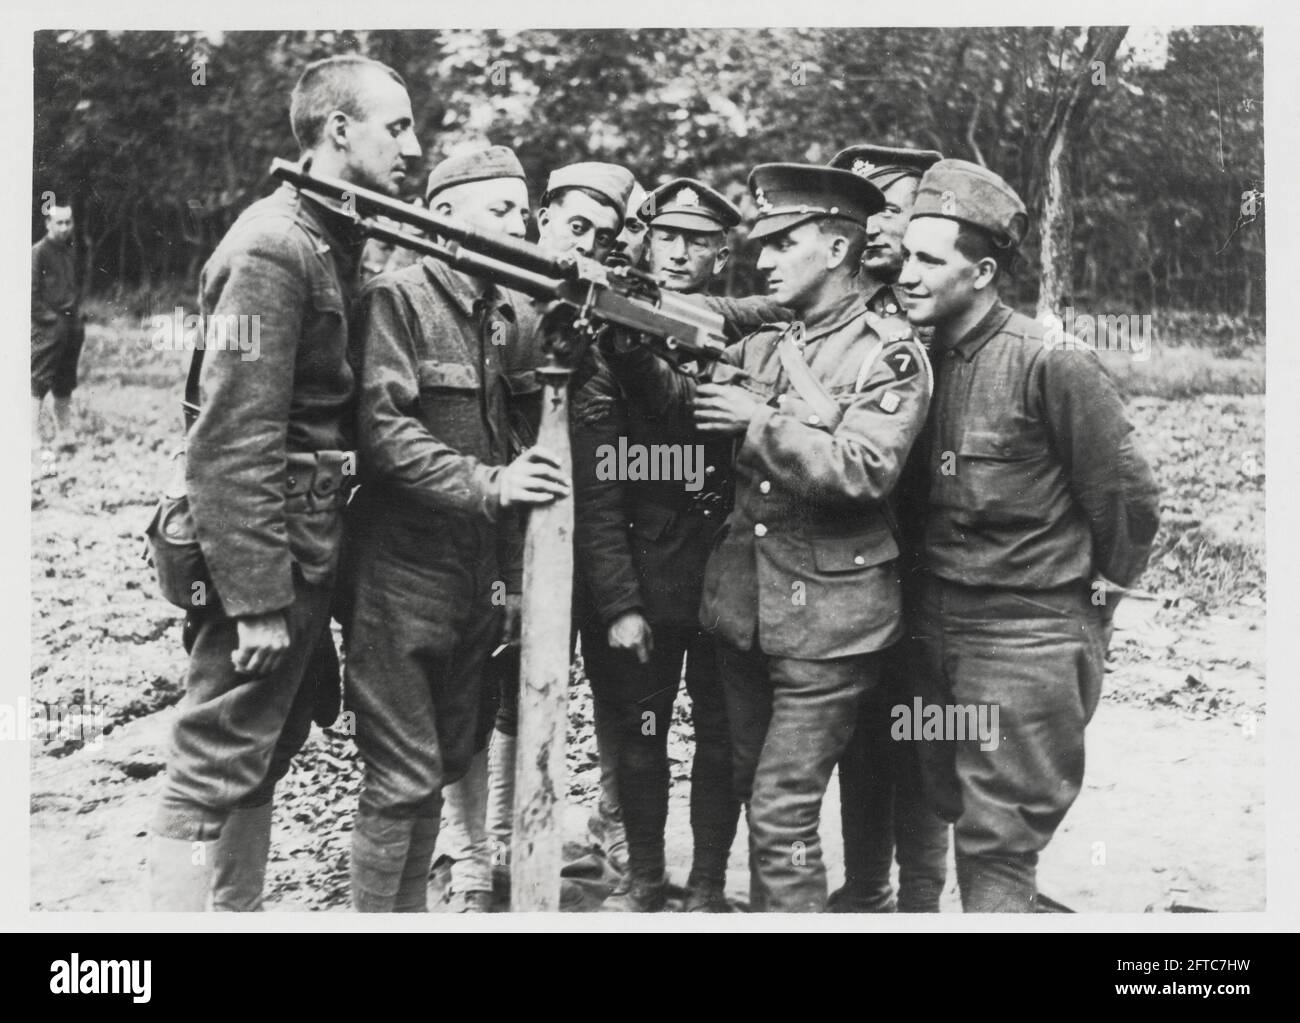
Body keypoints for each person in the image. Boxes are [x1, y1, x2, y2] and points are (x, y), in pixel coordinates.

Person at [601, 163, 932, 911]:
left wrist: (760, 422)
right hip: (745, 614)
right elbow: (683, 409)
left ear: (840, 249)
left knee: (781, 807)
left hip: (831, 621)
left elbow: (864, 469)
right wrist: (629, 342)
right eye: (763, 244)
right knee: (758, 792)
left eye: (784, 242)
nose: (766, 260)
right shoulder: (770, 343)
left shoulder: (889, 352)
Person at [148, 54, 421, 911]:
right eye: (398, 126)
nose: (414, 147)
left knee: (262, 745)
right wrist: (258, 596)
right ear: (339, 130)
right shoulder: (272, 246)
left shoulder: (330, 232)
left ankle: (233, 913)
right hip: (270, 553)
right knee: (213, 760)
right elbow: (229, 436)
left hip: (309, 540)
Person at [896, 159, 1161, 911]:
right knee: (946, 799)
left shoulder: (1052, 361)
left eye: (926, 259)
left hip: (1024, 632)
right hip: (931, 626)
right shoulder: (910, 358)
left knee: (998, 841)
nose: (905, 273)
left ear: (982, 272)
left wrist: (1095, 600)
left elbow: (1128, 496)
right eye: (904, 255)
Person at [343, 145, 570, 912]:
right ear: (443, 218)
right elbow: (385, 433)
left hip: (475, 578)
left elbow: (516, 434)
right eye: (502, 209)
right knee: (402, 776)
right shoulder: (397, 300)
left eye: (526, 210)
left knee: (445, 757)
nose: (523, 223)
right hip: (401, 578)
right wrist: (490, 484)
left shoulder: (504, 313)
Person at [464, 162, 638, 903]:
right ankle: (489, 846)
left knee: (617, 683)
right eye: (574, 226)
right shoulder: (491, 303)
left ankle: (613, 827)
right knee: (501, 693)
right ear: (542, 215)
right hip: (509, 534)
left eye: (602, 235)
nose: (584, 246)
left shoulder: (609, 311)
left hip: (600, 531)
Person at [573, 179, 743, 912]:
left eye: (697, 240)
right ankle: (644, 877)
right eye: (667, 235)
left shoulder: (749, 329)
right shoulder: (613, 333)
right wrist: (616, 600)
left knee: (723, 735)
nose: (678, 250)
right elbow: (600, 481)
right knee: (638, 733)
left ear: (722, 253)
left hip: (731, 570)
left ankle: (707, 883)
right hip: (644, 568)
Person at [823, 143, 950, 913]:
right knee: (865, 733)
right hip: (859, 554)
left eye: (894, 205)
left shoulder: (951, 311)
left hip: (939, 564)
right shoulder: (840, 309)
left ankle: (923, 899)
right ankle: (866, 888)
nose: (876, 224)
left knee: (926, 736)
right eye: (862, 207)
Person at [31, 201, 84, 458]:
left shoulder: (69, 251)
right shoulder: (38, 252)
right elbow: (30, 294)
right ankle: (31, 436)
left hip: (71, 326)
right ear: (48, 224)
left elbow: (73, 287)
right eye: (59, 222)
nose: (64, 228)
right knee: (38, 382)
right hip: (48, 327)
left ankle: (65, 435)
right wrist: (49, 321)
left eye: (68, 222)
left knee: (65, 382)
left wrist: (75, 319)